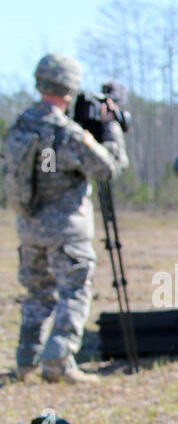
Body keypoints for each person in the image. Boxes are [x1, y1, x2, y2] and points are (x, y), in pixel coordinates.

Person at [3, 53, 128, 384]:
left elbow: (45, 166)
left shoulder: (22, 126)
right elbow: (108, 168)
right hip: (65, 229)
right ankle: (58, 359)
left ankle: (27, 359)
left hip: (29, 226)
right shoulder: (66, 133)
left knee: (38, 293)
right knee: (74, 291)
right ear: (70, 87)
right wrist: (110, 128)